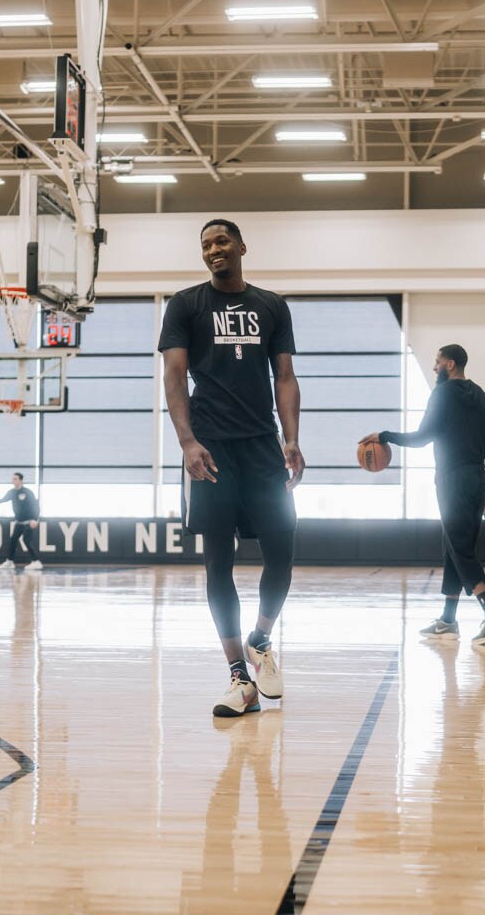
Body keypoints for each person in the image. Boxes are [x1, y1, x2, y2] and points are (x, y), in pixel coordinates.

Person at [158, 218, 305, 719]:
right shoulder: (186, 305)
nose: (213, 250)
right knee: (217, 564)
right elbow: (174, 376)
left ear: (242, 246)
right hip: (212, 449)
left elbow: (284, 376)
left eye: (222, 241)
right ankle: (239, 678)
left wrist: (292, 439)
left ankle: (260, 640)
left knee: (281, 554)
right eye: (205, 245)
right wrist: (187, 442)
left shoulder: (272, 306)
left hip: (263, 447)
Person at [360, 344, 485, 646]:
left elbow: (421, 437)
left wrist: (386, 436)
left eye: (437, 362)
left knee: (458, 545)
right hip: (476, 477)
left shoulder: (442, 394)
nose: (434, 368)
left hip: (453, 478)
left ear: (450, 365)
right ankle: (448, 620)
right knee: (453, 545)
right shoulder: (483, 396)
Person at [0, 472, 42, 571]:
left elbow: (35, 505)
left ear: (20, 480)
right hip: (19, 522)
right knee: (13, 540)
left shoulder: (28, 492)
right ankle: (10, 561)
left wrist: (35, 519)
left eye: (15, 479)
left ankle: (36, 562)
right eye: (13, 479)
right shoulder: (12, 492)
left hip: (29, 521)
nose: (13, 480)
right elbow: (4, 499)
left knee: (26, 540)